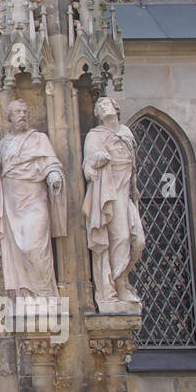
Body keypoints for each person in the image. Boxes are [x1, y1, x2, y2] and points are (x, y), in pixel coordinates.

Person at [0, 99, 67, 300]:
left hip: (35, 200)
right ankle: (27, 294)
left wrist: (54, 176)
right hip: (12, 206)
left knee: (34, 245)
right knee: (18, 251)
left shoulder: (39, 139)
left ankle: (45, 293)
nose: (22, 115)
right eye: (18, 112)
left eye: (25, 111)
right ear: (9, 117)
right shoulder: (3, 145)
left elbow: (50, 163)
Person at [83, 97, 145, 310]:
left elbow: (133, 167)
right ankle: (114, 286)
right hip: (109, 193)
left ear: (116, 108)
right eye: (99, 107)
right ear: (97, 115)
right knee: (122, 236)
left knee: (138, 240)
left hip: (126, 192)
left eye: (106, 104)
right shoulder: (95, 135)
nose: (103, 107)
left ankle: (122, 280)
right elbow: (88, 166)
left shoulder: (126, 133)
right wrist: (98, 159)